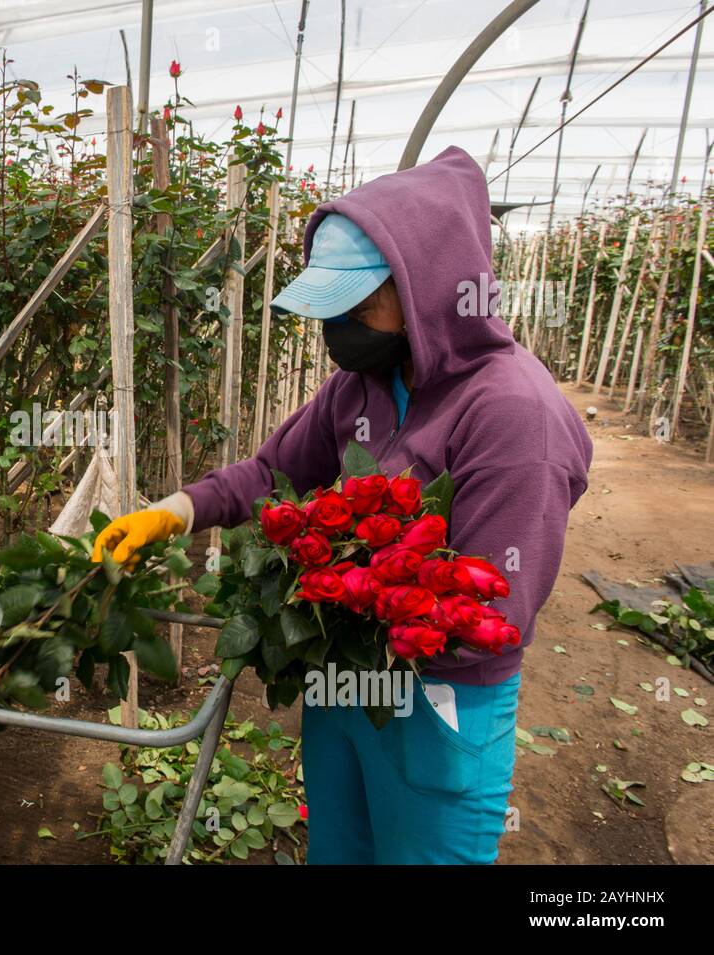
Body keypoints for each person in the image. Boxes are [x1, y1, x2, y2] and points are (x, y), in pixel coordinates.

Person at [91, 146, 592, 864]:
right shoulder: (366, 383)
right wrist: (175, 510)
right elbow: (271, 472)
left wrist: (344, 587)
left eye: (358, 302)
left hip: (438, 710)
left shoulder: (513, 415)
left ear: (430, 286)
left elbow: (496, 618)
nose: (341, 324)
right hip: (344, 689)